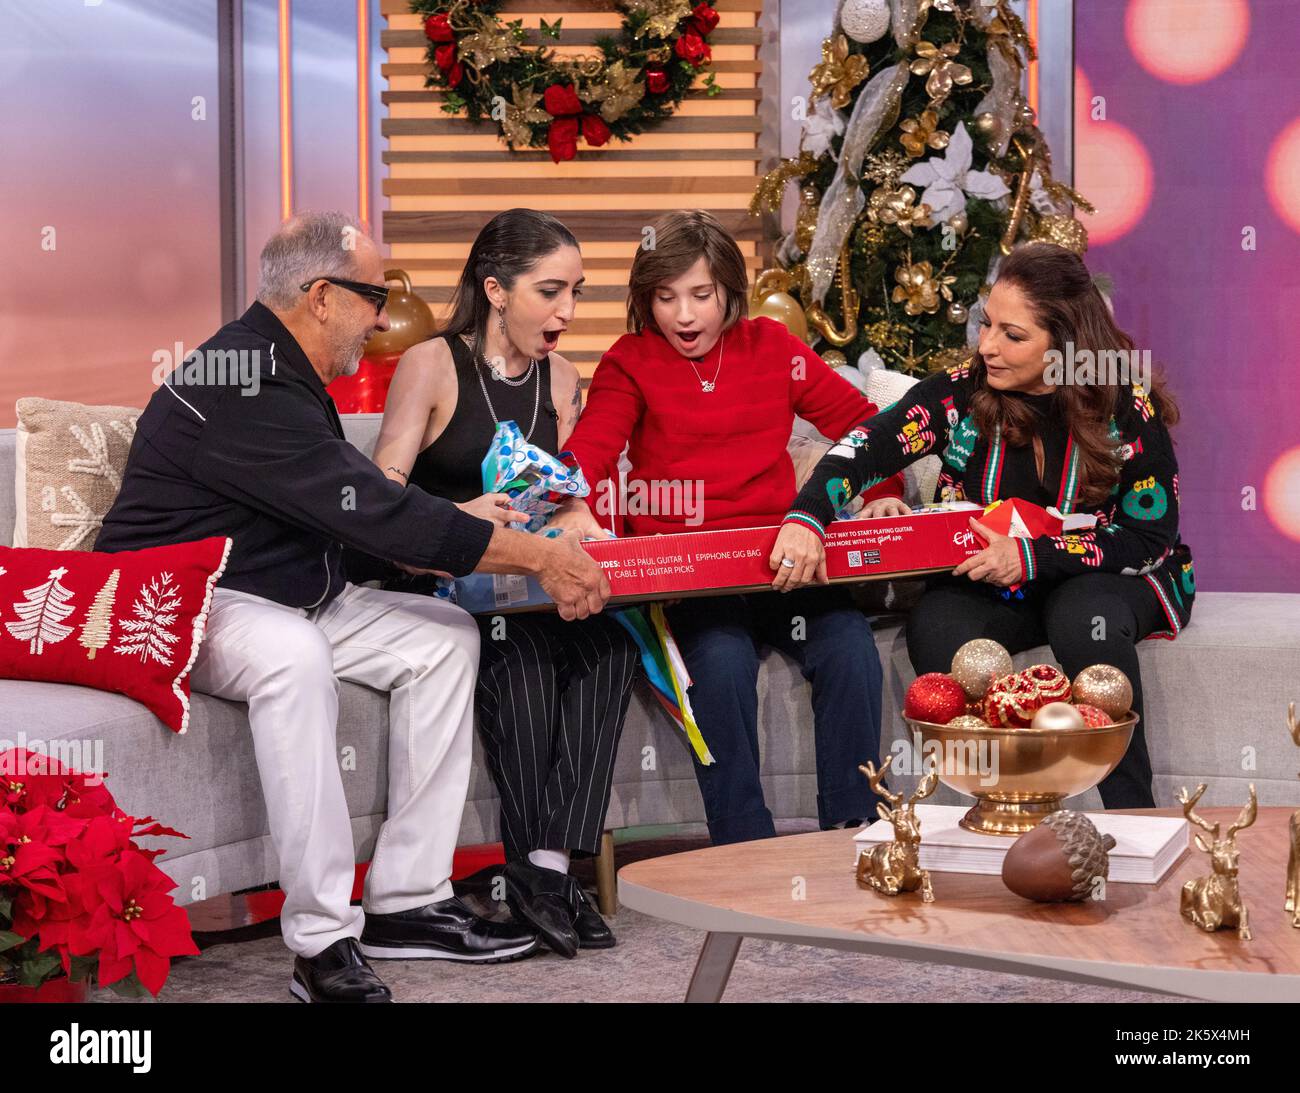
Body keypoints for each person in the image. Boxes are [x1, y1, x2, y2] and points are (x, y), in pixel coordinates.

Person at [95, 212, 610, 1003]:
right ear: (323, 295)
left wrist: (460, 530)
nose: (381, 321)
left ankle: (406, 898)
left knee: (443, 636)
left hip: (275, 587)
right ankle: (322, 940)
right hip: (181, 600)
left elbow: (350, 517)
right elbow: (373, 510)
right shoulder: (243, 378)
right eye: (374, 297)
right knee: (292, 655)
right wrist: (540, 554)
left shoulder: (287, 371)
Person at [778, 241, 1194, 808]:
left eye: (1012, 335)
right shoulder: (962, 391)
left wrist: (1032, 556)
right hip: (997, 582)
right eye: (987, 324)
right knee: (937, 627)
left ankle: (1134, 813)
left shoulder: (1125, 406)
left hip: (1108, 572)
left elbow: (1149, 538)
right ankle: (1005, 810)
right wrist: (807, 517)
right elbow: (864, 448)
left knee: (1084, 620)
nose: (988, 347)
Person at [553, 210, 908, 846]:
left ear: (729, 292)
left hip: (784, 558)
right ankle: (743, 844)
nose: (683, 316)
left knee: (849, 646)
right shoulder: (631, 360)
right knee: (719, 661)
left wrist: (881, 491)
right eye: (665, 298)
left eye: (700, 295)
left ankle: (855, 829)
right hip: (691, 572)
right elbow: (595, 442)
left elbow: (863, 427)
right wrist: (572, 499)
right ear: (645, 299)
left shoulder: (772, 347)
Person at [372, 209, 638, 958]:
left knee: (611, 653)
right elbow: (377, 502)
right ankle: (545, 877)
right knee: (519, 660)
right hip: (450, 584)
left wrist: (584, 517)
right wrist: (462, 517)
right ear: (494, 288)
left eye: (576, 292)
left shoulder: (560, 376)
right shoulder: (429, 363)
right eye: (550, 291)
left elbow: (565, 493)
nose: (567, 312)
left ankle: (542, 870)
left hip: (533, 580)